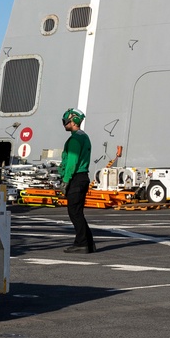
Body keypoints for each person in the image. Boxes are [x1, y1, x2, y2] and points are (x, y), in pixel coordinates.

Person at [59, 107, 95, 253]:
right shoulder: (84, 136)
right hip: (83, 177)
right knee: (78, 212)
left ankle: (81, 243)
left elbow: (72, 162)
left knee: (74, 212)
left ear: (73, 121)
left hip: (76, 178)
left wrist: (66, 180)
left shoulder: (75, 139)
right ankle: (88, 243)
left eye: (65, 121)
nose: (64, 124)